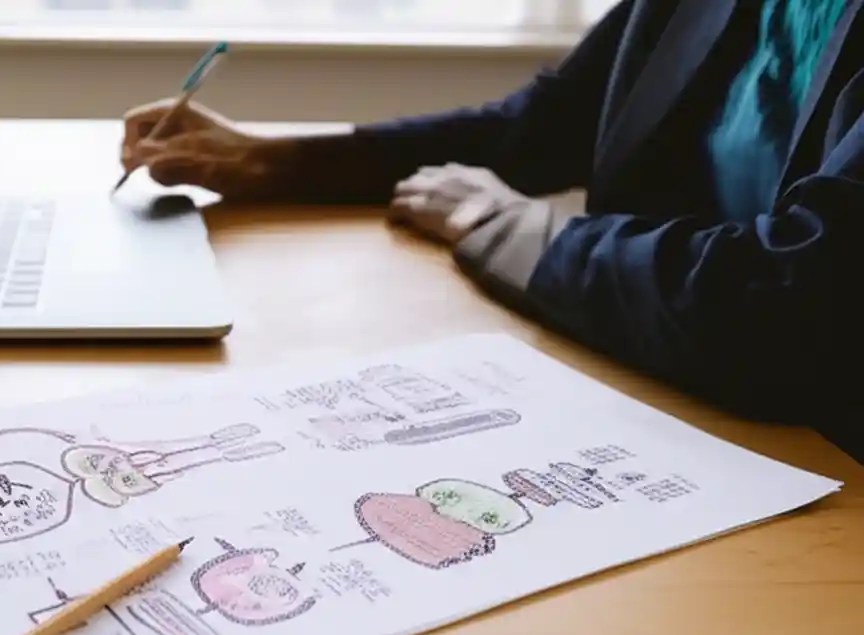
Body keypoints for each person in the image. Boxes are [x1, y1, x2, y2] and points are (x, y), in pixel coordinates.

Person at [119, 0, 864, 457]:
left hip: (815, 449)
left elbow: (786, 299)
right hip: (663, 400)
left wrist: (513, 233)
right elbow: (538, 129)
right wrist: (278, 162)